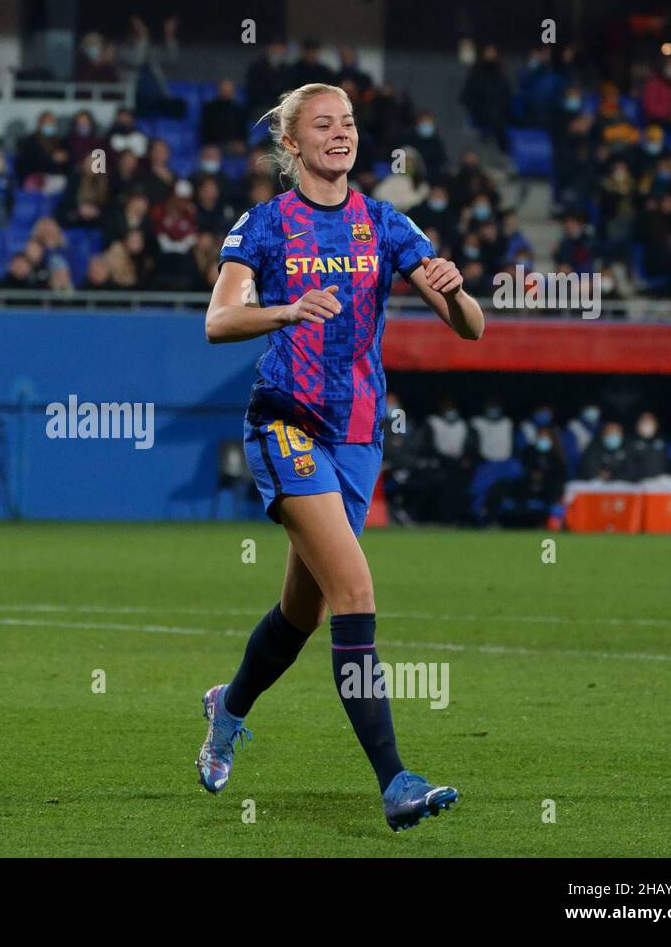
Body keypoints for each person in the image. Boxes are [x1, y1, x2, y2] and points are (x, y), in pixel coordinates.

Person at [202, 82, 484, 832]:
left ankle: (227, 707)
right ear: (291, 144)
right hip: (285, 424)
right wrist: (287, 308)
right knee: (355, 591)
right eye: (324, 125)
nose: (342, 135)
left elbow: (473, 329)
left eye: (349, 124)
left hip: (358, 440)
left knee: (301, 611)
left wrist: (456, 294)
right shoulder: (263, 227)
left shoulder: (384, 224)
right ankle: (396, 781)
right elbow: (219, 320)